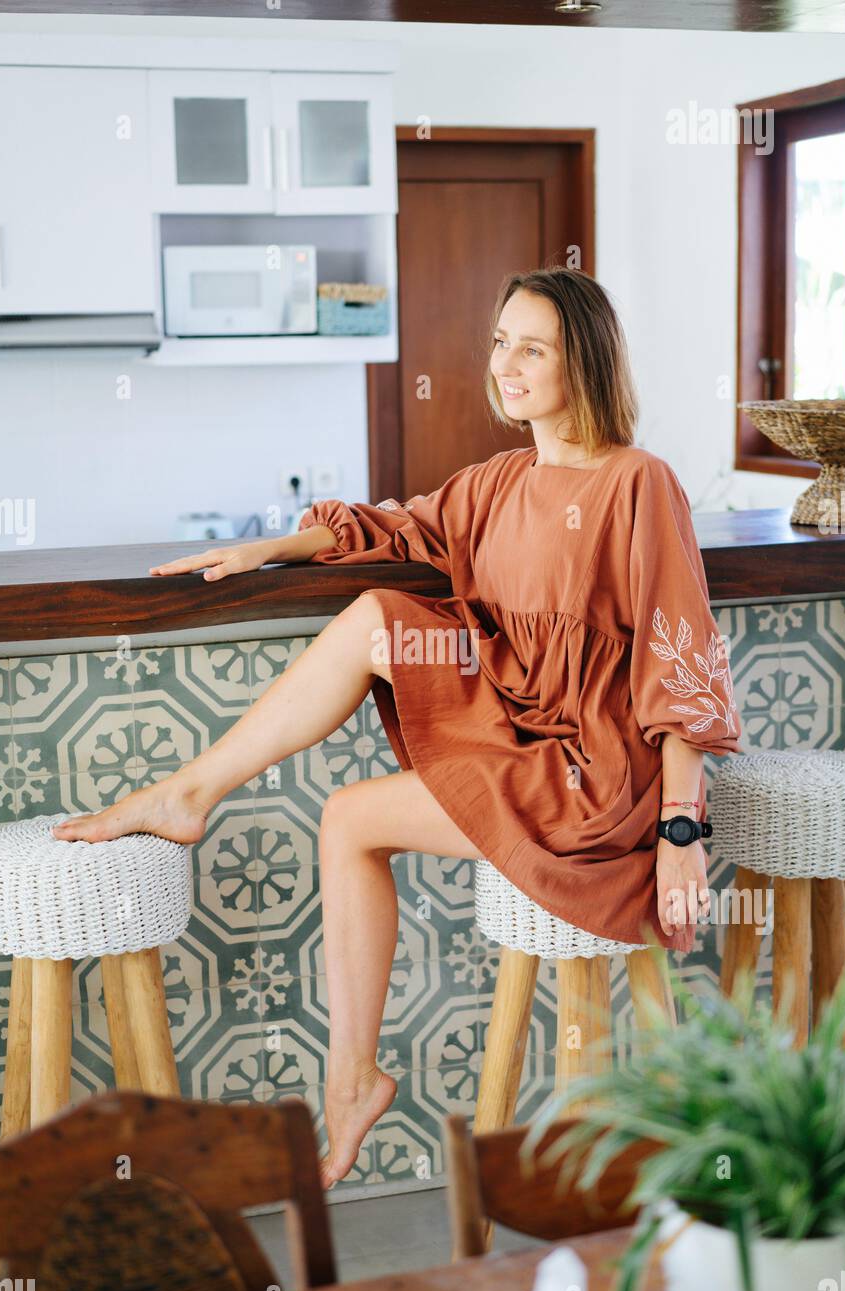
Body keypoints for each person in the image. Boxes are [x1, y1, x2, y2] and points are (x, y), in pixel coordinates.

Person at [52, 266, 742, 1186]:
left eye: (531, 347)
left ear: (584, 359)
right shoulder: (499, 481)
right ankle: (189, 794)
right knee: (380, 612)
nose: (506, 364)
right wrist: (271, 546)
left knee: (347, 818)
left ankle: (348, 1079)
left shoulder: (636, 483)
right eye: (500, 342)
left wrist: (680, 834)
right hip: (518, 728)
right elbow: (395, 530)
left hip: (594, 774)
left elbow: (678, 656)